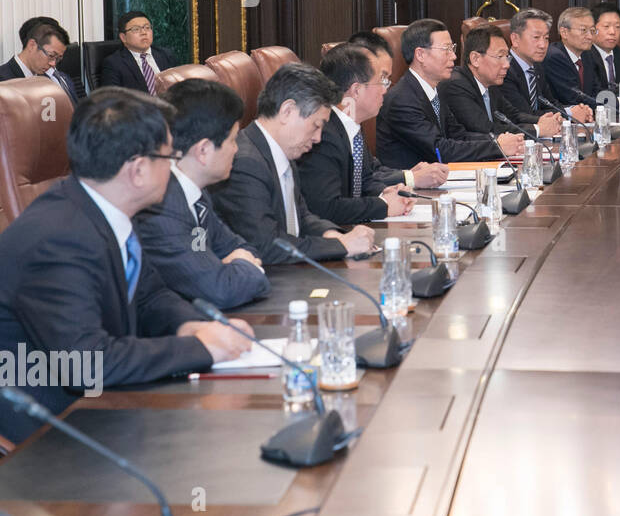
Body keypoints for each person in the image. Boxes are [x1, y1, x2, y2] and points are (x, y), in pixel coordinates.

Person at [0, 88, 251, 445]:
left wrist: (194, 326)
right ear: (137, 170)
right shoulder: (57, 239)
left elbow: (150, 296)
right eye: (169, 155)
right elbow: (85, 366)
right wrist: (202, 348)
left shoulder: (106, 210)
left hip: (105, 401)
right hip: (49, 432)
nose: (175, 165)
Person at [210, 62, 375, 264]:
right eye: (315, 126)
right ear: (287, 111)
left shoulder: (282, 151)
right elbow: (267, 245)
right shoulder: (246, 163)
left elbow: (301, 217)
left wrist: (334, 235)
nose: (318, 138)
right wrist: (342, 246)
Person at [134, 79, 271, 310]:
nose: (237, 150)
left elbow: (241, 247)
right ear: (204, 150)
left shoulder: (195, 192)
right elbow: (220, 290)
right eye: (232, 141)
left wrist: (232, 265)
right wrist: (239, 266)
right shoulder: (161, 207)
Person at [297, 44, 451, 226]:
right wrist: (383, 205)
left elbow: (365, 180)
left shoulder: (351, 126)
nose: (386, 90)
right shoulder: (324, 134)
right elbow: (327, 208)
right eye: (382, 81)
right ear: (356, 90)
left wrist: (389, 193)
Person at [376, 19, 524, 169]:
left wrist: (500, 140)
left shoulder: (435, 90)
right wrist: (497, 146)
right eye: (446, 49)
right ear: (420, 55)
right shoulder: (402, 99)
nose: (453, 56)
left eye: (452, 48)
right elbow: (440, 149)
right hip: (411, 187)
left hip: (440, 180)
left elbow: (459, 135)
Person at [439, 25, 563, 139]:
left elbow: (513, 115)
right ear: (475, 59)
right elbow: (486, 128)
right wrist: (538, 129)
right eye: (500, 57)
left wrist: (541, 120)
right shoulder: (456, 85)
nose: (506, 65)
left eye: (507, 57)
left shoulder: (490, 84)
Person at [499, 8, 593, 123]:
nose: (543, 45)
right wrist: (569, 114)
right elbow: (523, 114)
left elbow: (551, 103)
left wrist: (574, 110)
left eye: (546, 38)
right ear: (515, 39)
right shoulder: (504, 69)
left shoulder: (536, 66)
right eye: (536, 37)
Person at [0, 19, 77, 102]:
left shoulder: (46, 79)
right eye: (51, 56)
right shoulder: (3, 81)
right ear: (32, 45)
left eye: (58, 59)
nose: (53, 64)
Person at [99, 11, 175, 94]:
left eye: (147, 27)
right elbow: (112, 98)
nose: (144, 32)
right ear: (123, 37)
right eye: (136, 29)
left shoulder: (165, 55)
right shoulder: (114, 63)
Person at [543, 6, 603, 110]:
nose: (590, 36)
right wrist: (618, 103)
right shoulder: (554, 56)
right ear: (564, 33)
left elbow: (597, 91)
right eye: (583, 30)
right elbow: (573, 98)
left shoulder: (587, 55)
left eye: (592, 30)